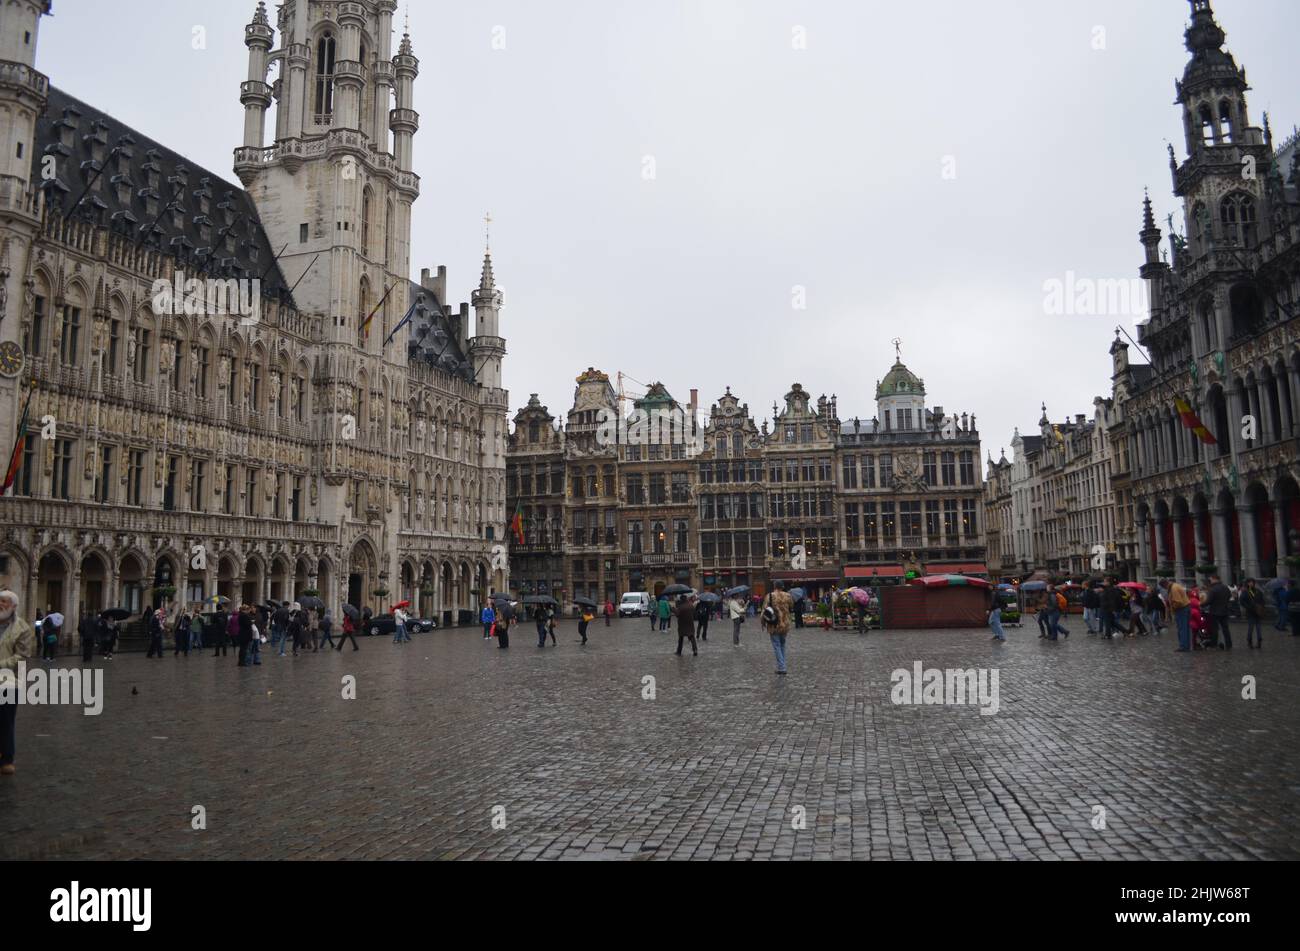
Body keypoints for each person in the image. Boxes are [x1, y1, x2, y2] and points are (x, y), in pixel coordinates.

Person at [0, 591, 37, 776]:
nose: (0, 604)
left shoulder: (22, 628)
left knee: (6, 721)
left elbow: (22, 655)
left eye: (4, 601)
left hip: (9, 682)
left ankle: (7, 758)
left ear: (13, 606)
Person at [761, 582, 794, 675]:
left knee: (776, 645)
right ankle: (782, 665)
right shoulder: (788, 596)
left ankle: (782, 667)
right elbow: (791, 606)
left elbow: (764, 610)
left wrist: (763, 623)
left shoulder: (770, 596)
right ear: (782, 587)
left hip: (774, 624)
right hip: (785, 623)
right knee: (782, 644)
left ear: (775, 587)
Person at [1162, 577, 1192, 652]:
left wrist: (1173, 607)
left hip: (1181, 609)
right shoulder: (1174, 586)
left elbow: (1178, 602)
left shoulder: (1173, 589)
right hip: (1184, 608)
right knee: (1184, 628)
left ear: (1165, 585)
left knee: (1182, 628)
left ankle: (1184, 646)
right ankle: (1185, 645)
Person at [1203, 574, 1233, 650]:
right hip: (1224, 611)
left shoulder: (1213, 589)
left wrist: (1200, 604)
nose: (1210, 581)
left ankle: (1214, 645)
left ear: (1214, 579)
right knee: (1225, 629)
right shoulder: (1225, 587)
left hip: (1214, 612)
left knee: (1214, 629)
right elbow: (1229, 596)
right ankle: (1229, 644)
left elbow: (1209, 601)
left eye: (1211, 579)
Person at [1240, 578, 1265, 649]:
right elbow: (1242, 601)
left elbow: (1262, 600)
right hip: (1253, 611)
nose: (1251, 583)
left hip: (1255, 611)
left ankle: (1256, 641)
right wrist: (1250, 607)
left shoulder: (1253, 591)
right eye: (1250, 582)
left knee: (1256, 627)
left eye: (1252, 582)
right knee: (1254, 627)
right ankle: (1252, 641)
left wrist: (1261, 607)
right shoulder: (1248, 591)